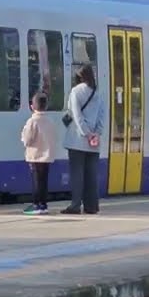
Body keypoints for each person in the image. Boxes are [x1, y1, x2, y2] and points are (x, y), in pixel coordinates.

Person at [61, 63, 105, 215]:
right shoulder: (98, 93)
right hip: (94, 142)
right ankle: (92, 206)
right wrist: (96, 134)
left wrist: (86, 133)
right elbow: (101, 116)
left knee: (77, 175)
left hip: (77, 140)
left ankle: (75, 205)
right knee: (92, 175)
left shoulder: (75, 91)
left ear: (79, 76)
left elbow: (76, 115)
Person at [20, 92, 59, 215]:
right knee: (44, 182)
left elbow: (27, 139)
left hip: (35, 156)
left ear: (32, 106)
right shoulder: (50, 121)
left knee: (36, 181)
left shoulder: (32, 121)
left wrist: (23, 138)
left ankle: (36, 205)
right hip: (47, 157)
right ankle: (43, 204)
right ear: (46, 106)